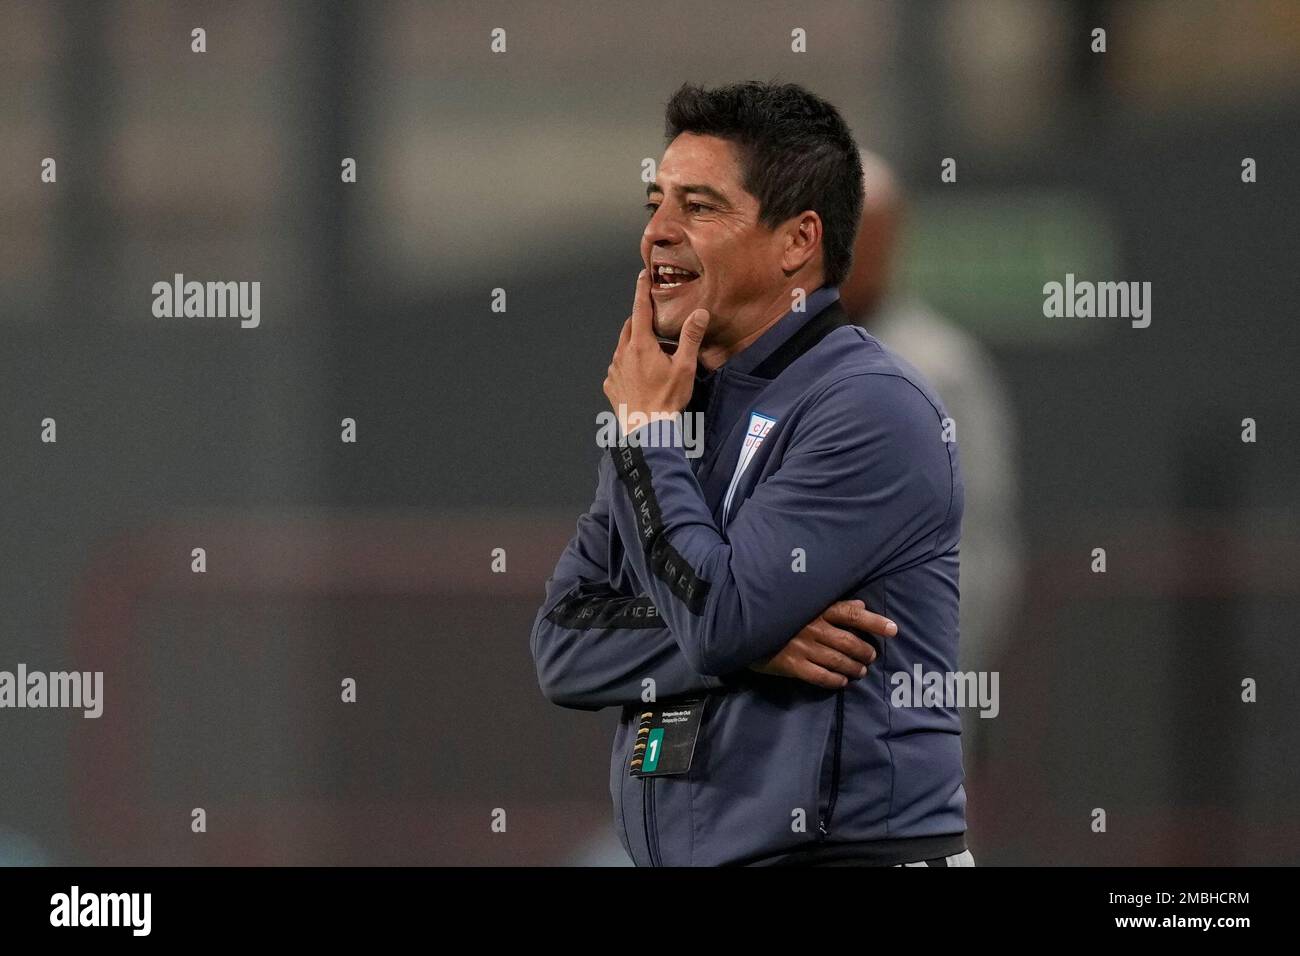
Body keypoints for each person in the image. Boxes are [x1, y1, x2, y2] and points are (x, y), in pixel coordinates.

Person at [531, 81, 972, 866]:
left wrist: (728, 627)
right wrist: (751, 641)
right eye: (655, 203)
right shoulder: (670, 403)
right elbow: (563, 644)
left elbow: (720, 617)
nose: (658, 235)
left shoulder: (869, 405)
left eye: (698, 208)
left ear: (797, 241)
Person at [839, 151, 1024, 769]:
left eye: (866, 229)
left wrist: (931, 663)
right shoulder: (767, 356)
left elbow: (980, 540)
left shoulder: (941, 368)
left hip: (902, 679)